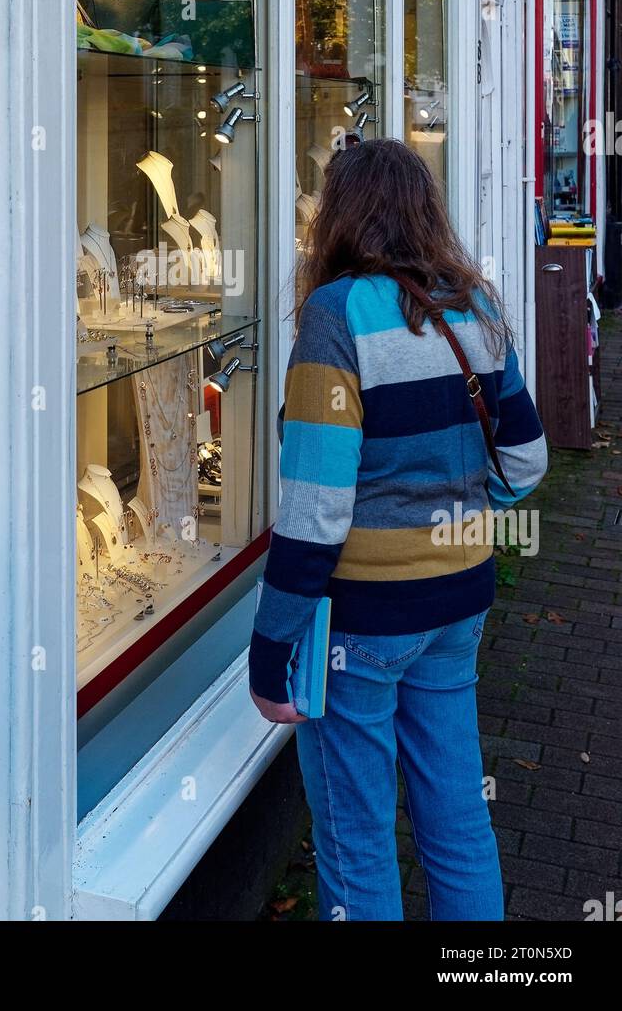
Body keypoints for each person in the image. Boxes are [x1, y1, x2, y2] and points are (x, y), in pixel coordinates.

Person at [249, 138, 547, 921]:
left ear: (339, 217)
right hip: (457, 604)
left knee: (355, 838)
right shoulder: (473, 306)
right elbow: (525, 461)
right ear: (424, 210)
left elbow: (315, 509)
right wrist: (451, 516)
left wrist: (270, 646)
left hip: (361, 622)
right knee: (455, 817)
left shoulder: (334, 314)